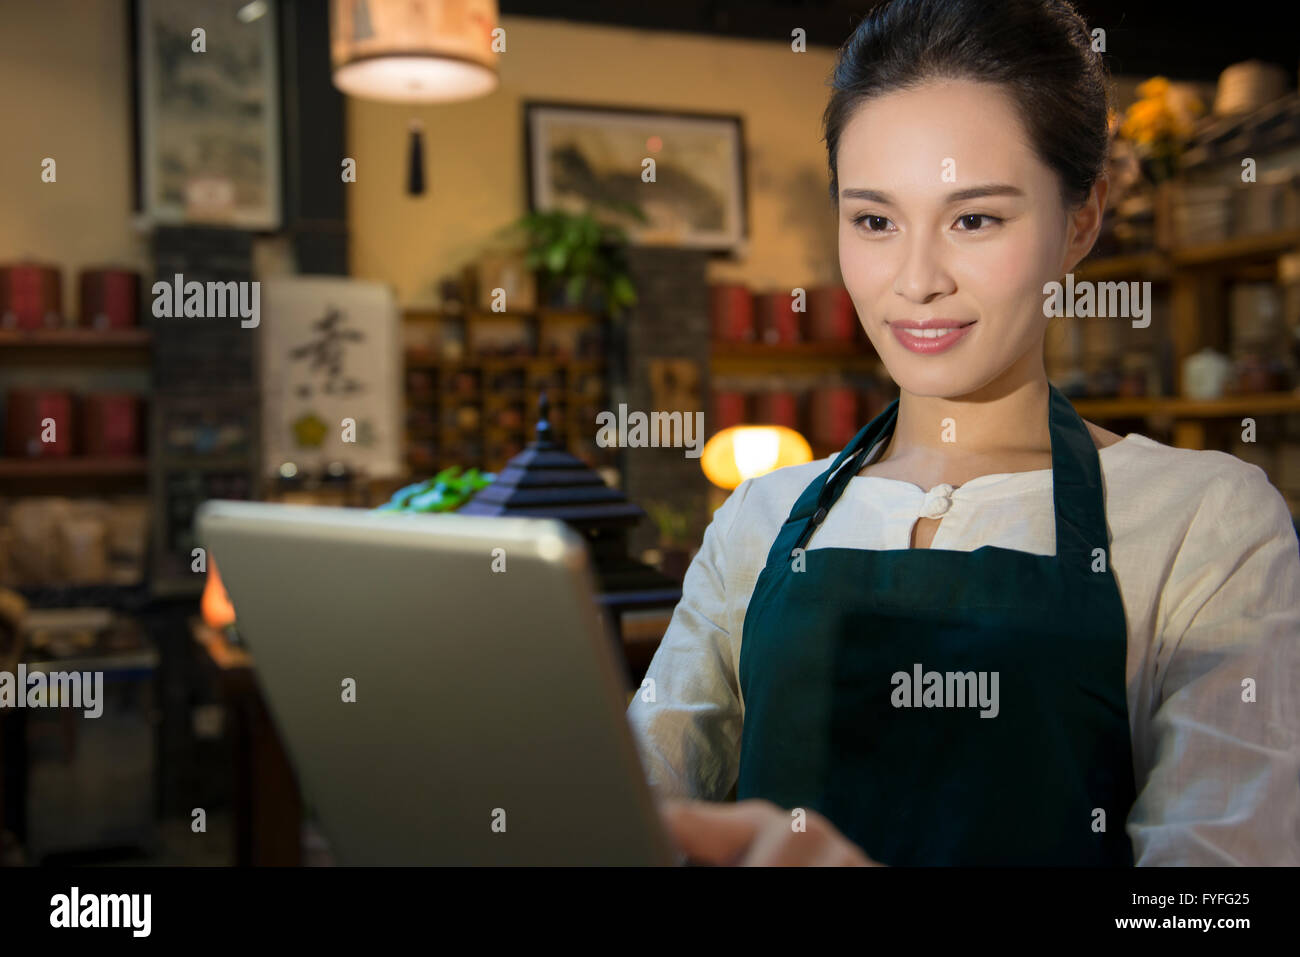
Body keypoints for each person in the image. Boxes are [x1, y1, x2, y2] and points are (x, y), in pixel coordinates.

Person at [628, 0, 1300, 866]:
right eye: (875, 221)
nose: (915, 281)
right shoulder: (760, 518)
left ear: (1081, 220)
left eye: (974, 218)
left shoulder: (1206, 524)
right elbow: (631, 808)